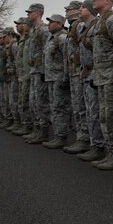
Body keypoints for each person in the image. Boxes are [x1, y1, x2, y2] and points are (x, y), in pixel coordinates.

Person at [89, 0, 113, 170]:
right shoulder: (99, 21)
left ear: (107, 0)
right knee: (104, 116)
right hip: (101, 76)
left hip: (111, 76)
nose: (93, 1)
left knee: (112, 116)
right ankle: (110, 151)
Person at [76, 0, 109, 161]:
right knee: (88, 110)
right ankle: (92, 143)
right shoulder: (83, 27)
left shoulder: (97, 25)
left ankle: (99, 146)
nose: (79, 9)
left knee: (96, 112)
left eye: (83, 7)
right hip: (86, 73)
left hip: (96, 73)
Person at [62, 1, 91, 154]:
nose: (66, 12)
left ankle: (84, 139)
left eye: (69, 10)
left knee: (81, 107)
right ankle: (81, 137)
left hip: (80, 72)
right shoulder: (73, 27)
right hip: (73, 71)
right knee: (77, 107)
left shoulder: (80, 25)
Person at [42, 14, 72, 149]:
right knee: (54, 107)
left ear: (60, 24)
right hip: (51, 77)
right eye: (49, 22)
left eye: (52, 22)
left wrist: (66, 77)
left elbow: (66, 59)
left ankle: (61, 136)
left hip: (59, 77)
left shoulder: (62, 38)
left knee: (60, 107)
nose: (49, 24)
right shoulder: (51, 38)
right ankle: (57, 135)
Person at [24, 4, 51, 144]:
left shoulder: (44, 29)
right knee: (33, 101)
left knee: (41, 102)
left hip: (41, 70)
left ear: (38, 13)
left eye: (31, 12)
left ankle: (43, 132)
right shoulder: (33, 30)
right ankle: (37, 129)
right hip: (34, 69)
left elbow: (47, 50)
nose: (28, 14)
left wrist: (45, 71)